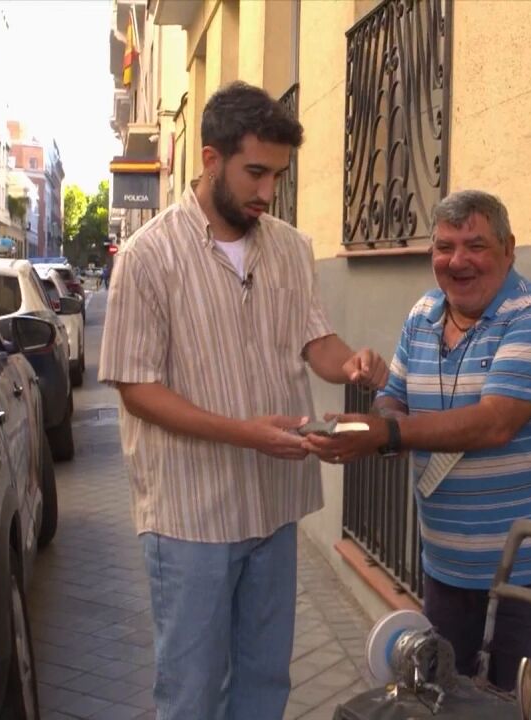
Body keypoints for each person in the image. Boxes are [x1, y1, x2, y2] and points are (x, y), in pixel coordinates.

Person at [98, 81, 389, 720]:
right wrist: (245, 433)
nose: (267, 192)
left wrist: (352, 364)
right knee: (192, 692)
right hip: (189, 515)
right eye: (255, 172)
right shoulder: (149, 257)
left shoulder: (290, 246)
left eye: (278, 177)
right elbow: (136, 389)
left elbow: (313, 337)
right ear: (210, 159)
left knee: (264, 685)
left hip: (274, 504)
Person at [302, 190, 531, 694]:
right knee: (445, 701)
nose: (458, 261)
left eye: (475, 245)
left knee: (517, 707)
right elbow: (394, 397)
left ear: (509, 249)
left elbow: (494, 423)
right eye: (444, 246)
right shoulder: (424, 313)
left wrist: (389, 434)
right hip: (445, 565)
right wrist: (376, 422)